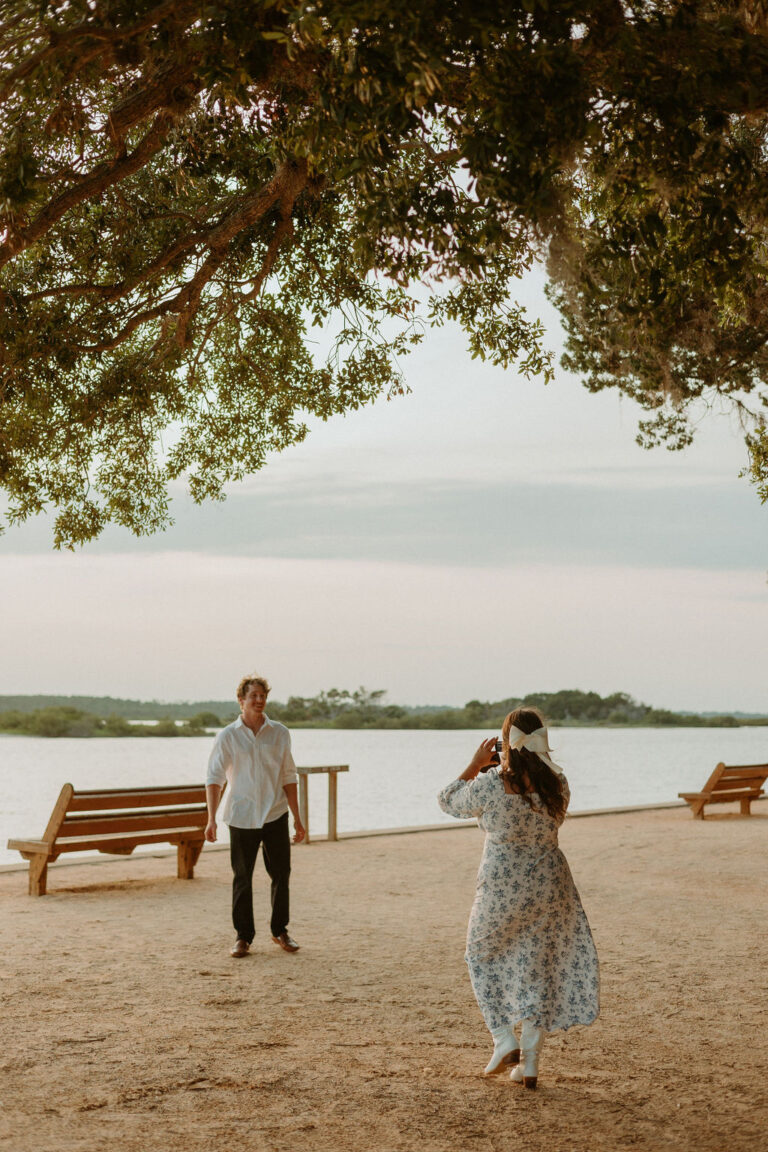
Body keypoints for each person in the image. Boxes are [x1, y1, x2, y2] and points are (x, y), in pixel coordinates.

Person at [437, 706, 599, 1089]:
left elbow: (447, 800)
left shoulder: (492, 784)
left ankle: (502, 1038)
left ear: (506, 743)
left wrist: (476, 764)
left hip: (502, 882)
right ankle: (530, 1064)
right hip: (548, 881)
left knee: (479, 955)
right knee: (537, 968)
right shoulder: (558, 784)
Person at [205, 674, 306, 958]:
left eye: (263, 696)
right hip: (242, 816)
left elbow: (289, 776)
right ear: (241, 700)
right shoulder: (228, 736)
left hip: (275, 813)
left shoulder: (280, 733)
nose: (259, 700)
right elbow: (214, 778)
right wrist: (211, 819)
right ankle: (243, 937)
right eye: (254, 696)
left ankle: (280, 930)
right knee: (242, 878)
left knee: (281, 875)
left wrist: (297, 818)